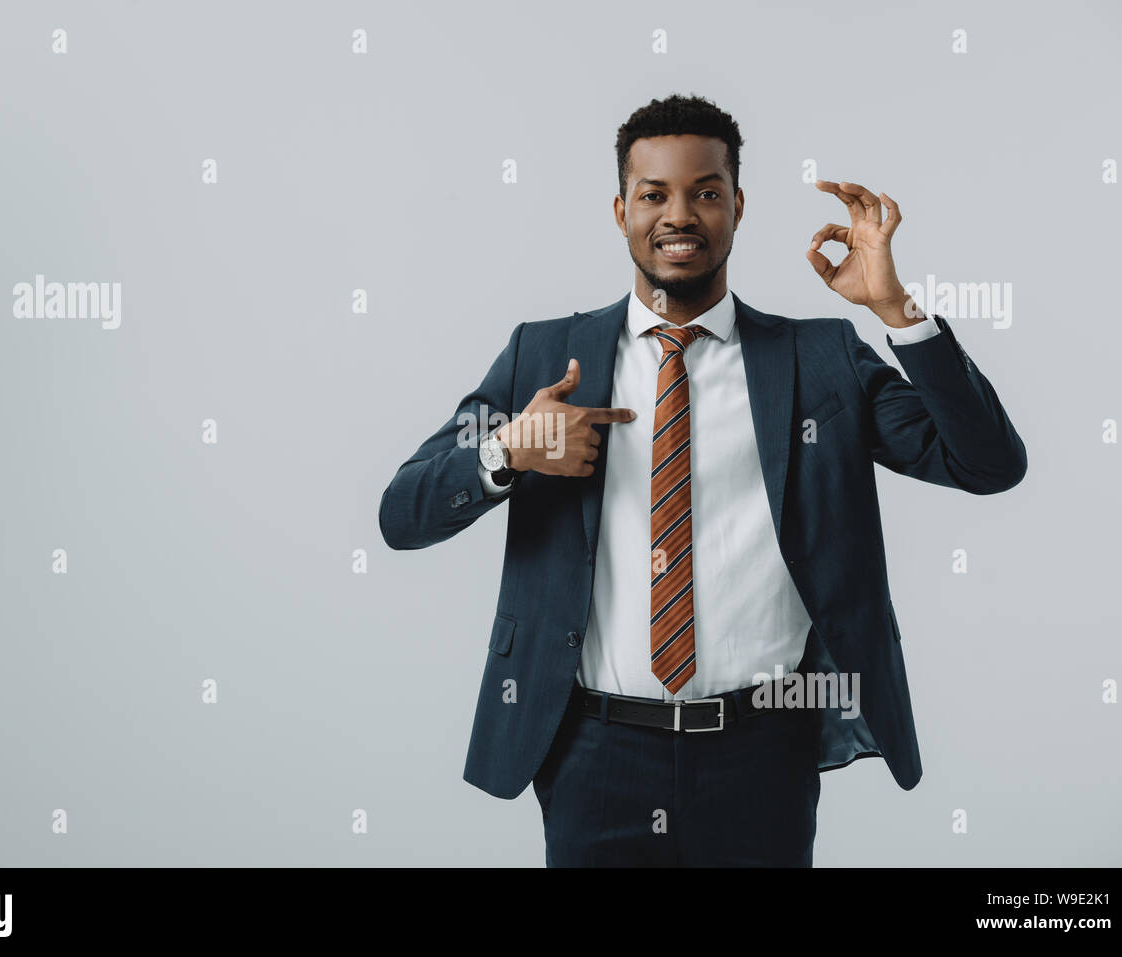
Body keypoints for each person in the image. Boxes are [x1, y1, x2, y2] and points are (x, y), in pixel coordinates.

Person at [378, 93, 1026, 866]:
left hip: (762, 754)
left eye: (705, 192)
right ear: (621, 210)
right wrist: (506, 455)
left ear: (738, 207)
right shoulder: (544, 357)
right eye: (654, 194)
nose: (678, 214)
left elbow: (987, 463)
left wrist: (894, 305)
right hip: (592, 755)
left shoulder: (818, 359)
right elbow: (400, 514)